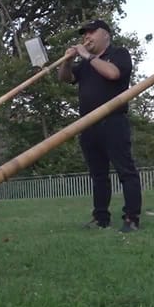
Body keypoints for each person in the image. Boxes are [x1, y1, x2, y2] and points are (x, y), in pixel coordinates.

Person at [59, 19, 142, 233]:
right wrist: (68, 61)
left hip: (113, 121)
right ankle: (101, 217)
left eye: (91, 33)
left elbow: (113, 74)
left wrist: (87, 56)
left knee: (126, 171)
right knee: (98, 175)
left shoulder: (119, 53)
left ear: (105, 34)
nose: (86, 37)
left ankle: (131, 218)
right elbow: (65, 78)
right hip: (88, 124)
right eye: (84, 34)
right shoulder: (86, 62)